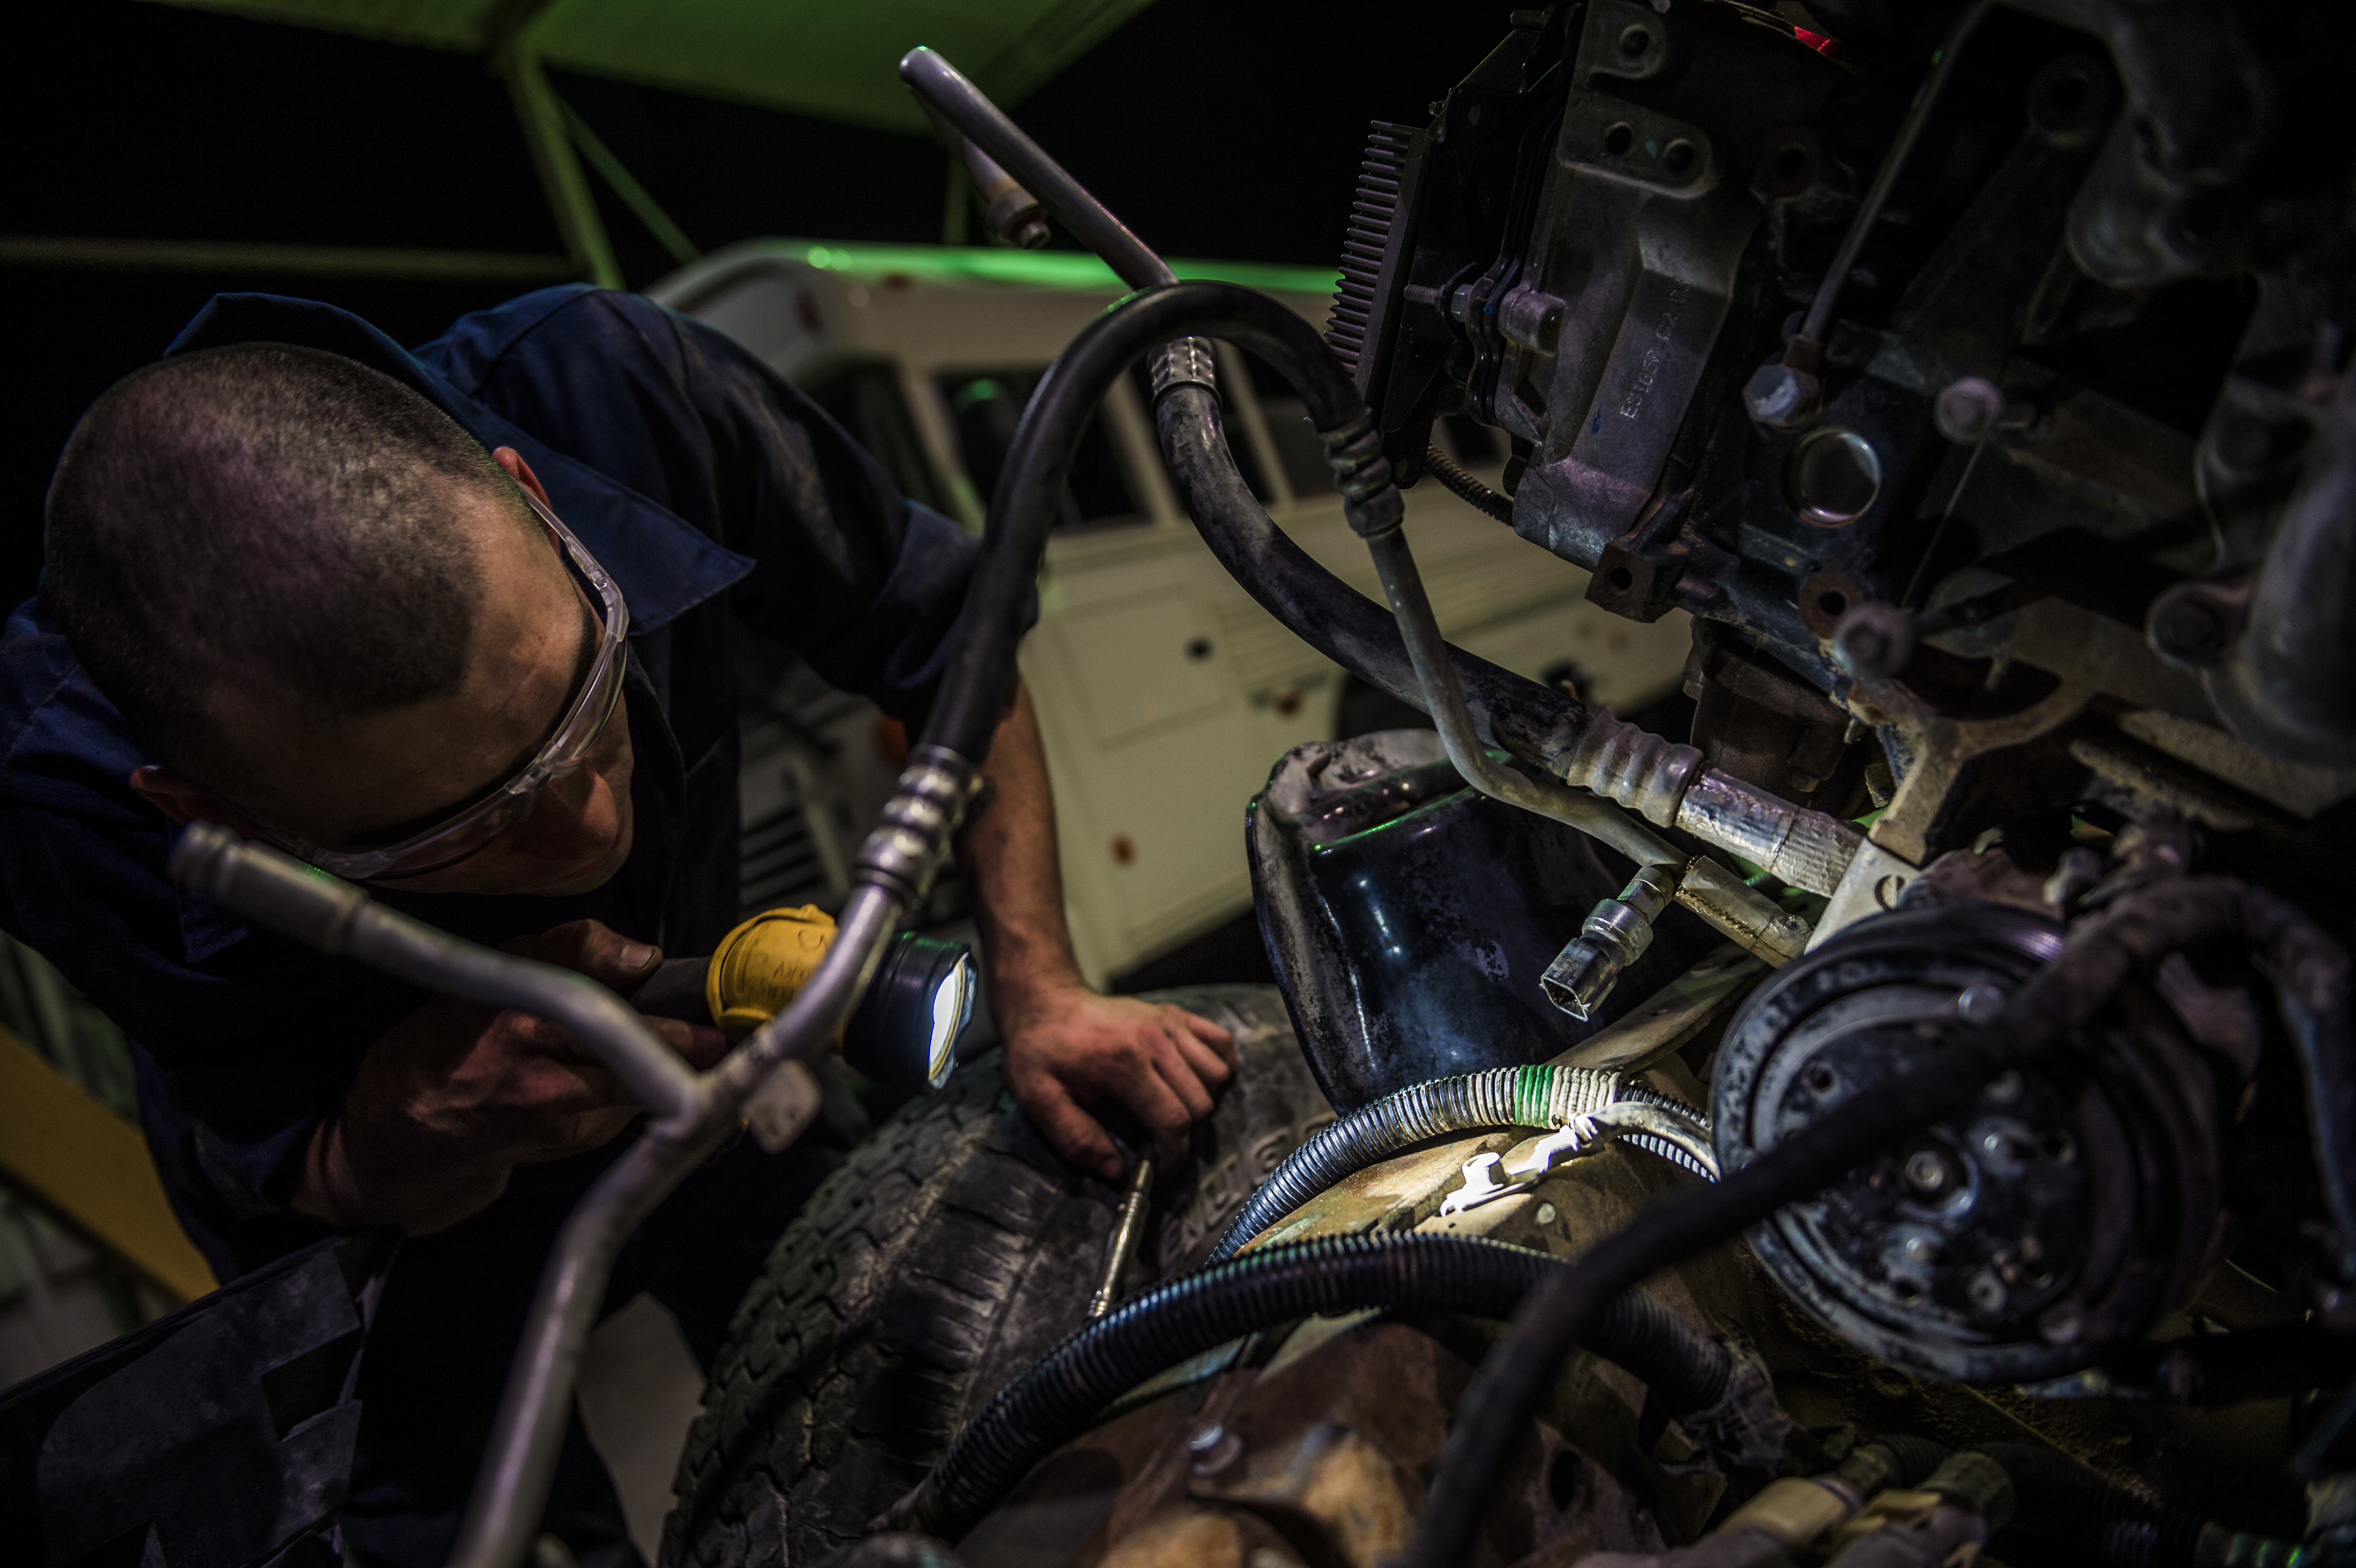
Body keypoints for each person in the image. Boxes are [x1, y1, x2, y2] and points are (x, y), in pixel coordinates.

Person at [0, 284, 1237, 1565]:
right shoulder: (58, 788)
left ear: (530, 496)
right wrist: (402, 1138)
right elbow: (276, 1156)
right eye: (459, 827)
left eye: (585, 695)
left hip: (716, 1094)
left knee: (927, 1391)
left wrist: (1043, 989)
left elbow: (947, 640)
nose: (596, 829)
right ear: (203, 813)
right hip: (397, 1259)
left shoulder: (612, 391)